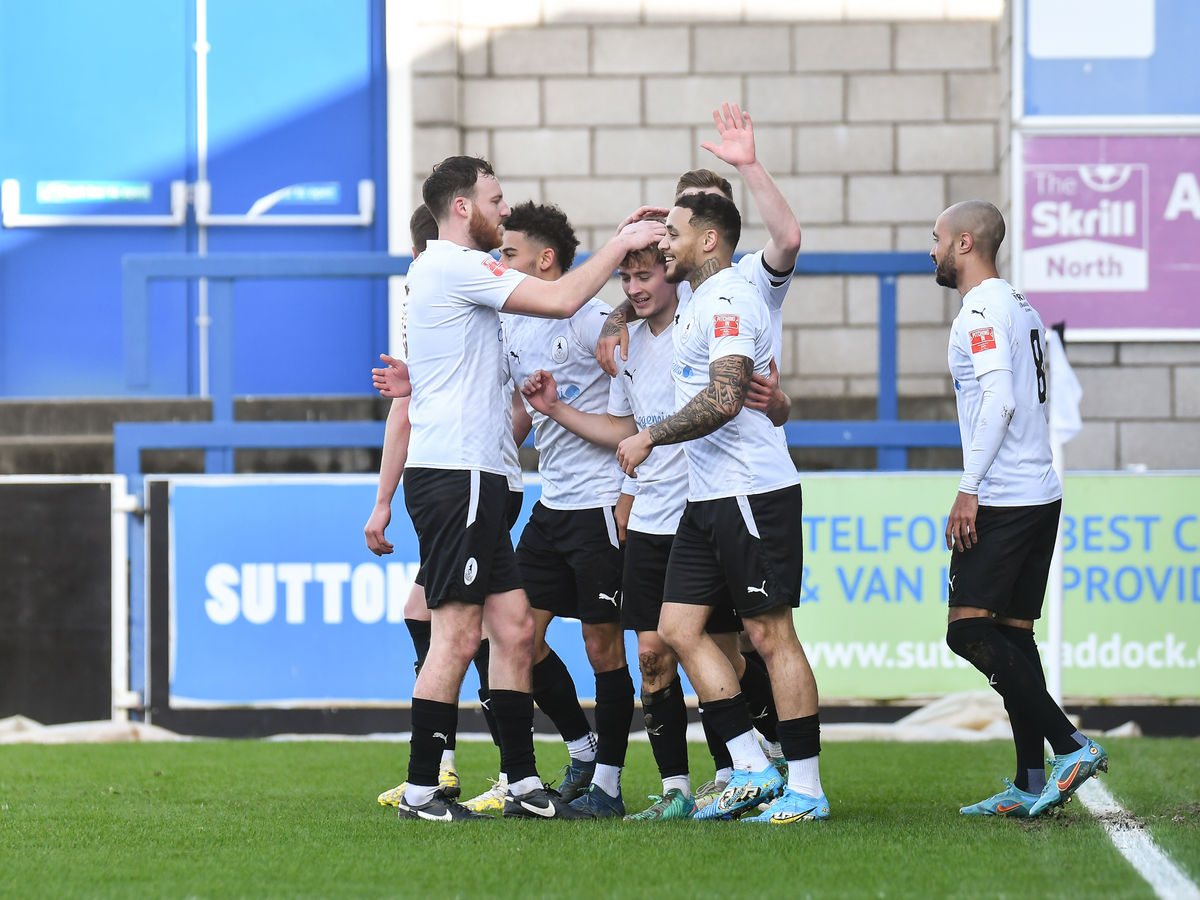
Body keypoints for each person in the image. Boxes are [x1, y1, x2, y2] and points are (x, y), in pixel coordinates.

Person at [395, 155, 663, 822]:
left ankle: (521, 784)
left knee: (514, 631)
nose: (503, 210)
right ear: (462, 208)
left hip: (480, 478)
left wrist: (612, 321)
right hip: (461, 478)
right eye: (495, 198)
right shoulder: (456, 266)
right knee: (457, 635)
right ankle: (424, 791)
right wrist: (623, 245)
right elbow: (563, 297)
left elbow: (573, 315)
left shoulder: (449, 274)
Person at [523, 242, 784, 821]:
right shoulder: (625, 346)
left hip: (699, 512)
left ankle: (745, 767)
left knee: (719, 651)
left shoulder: (700, 325)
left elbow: (735, 397)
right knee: (651, 656)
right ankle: (676, 789)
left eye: (645, 276)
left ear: (674, 274)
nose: (634, 288)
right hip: (646, 521)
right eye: (627, 278)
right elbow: (625, 425)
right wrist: (562, 415)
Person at [616, 192, 830, 824]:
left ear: (708, 241)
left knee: (769, 635)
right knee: (678, 630)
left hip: (750, 491)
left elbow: (728, 395)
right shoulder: (698, 304)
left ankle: (808, 790)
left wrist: (650, 435)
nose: (666, 246)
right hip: (706, 498)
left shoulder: (733, 297)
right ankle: (754, 770)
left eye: (675, 235)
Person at [932, 200, 1108, 818]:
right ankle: (1031, 778)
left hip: (1004, 495)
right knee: (1012, 632)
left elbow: (1001, 402)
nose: (931, 251)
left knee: (966, 628)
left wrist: (969, 486)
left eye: (936, 240)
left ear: (963, 243)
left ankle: (1068, 745)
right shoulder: (1021, 306)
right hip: (1040, 491)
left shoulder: (980, 309)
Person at [367, 203, 519, 810]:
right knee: (477, 628)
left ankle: (480, 774)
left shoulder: (456, 289)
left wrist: (381, 504)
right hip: (467, 477)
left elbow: (505, 390)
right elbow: (411, 407)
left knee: (483, 629)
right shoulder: (445, 291)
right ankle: (453, 775)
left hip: (476, 479)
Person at [488, 201, 636, 819]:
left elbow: (630, 429)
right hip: (552, 506)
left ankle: (607, 784)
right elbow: (524, 414)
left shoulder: (592, 321)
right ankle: (578, 749)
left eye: (510, 253)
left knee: (604, 648)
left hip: (601, 507)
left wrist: (555, 409)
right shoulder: (517, 322)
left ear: (545, 259)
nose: (501, 263)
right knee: (516, 632)